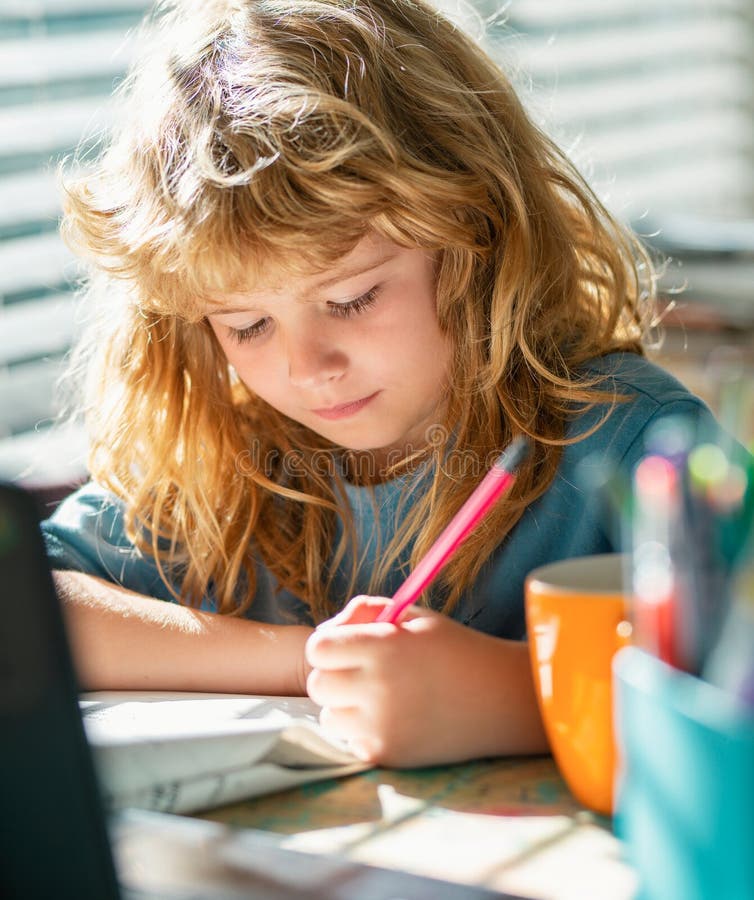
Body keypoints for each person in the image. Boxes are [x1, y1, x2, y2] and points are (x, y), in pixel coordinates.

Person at [42, 0, 720, 767]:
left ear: (479, 235)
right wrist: (315, 662)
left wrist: (513, 697)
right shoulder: (222, 454)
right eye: (245, 326)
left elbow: (736, 676)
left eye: (351, 299)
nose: (308, 366)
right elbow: (30, 605)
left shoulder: (623, 437)